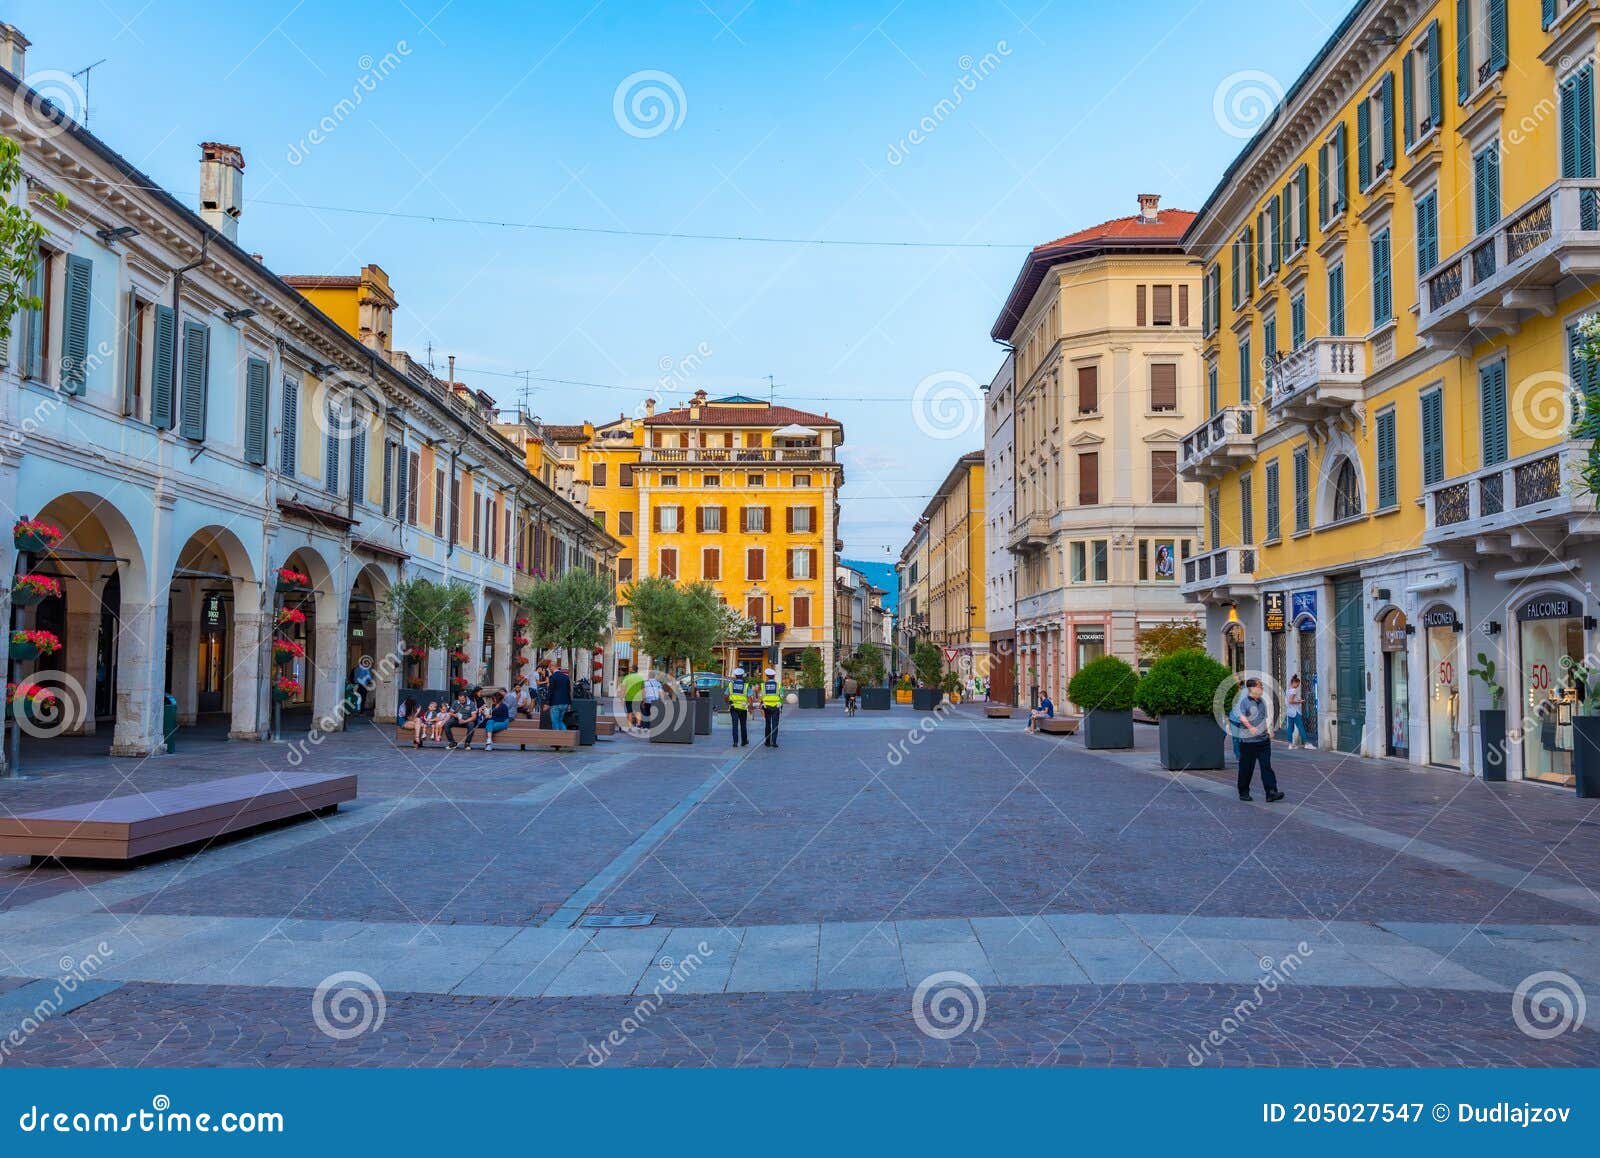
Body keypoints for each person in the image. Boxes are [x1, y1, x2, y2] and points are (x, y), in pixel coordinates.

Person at [1232, 678, 1284, 802]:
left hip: (1263, 741)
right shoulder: (1244, 702)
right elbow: (1241, 717)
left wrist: (1267, 731)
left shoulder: (1262, 702)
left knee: (1266, 766)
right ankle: (1243, 792)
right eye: (1260, 686)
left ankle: (1271, 792)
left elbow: (1263, 718)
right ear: (1253, 688)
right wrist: (1250, 727)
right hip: (1248, 742)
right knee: (1246, 768)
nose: (1262, 689)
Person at [1285, 674, 1312, 748]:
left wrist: (1297, 700)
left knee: (1290, 728)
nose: (1298, 685)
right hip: (1295, 711)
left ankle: (1290, 744)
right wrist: (1300, 702)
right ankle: (1306, 743)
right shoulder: (1294, 690)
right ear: (1294, 683)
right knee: (1300, 727)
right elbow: (1291, 701)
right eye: (1298, 684)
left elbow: (1289, 701)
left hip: (1289, 711)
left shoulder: (1288, 690)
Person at [727, 666, 751, 747]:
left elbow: (725, 695)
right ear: (742, 676)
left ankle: (735, 742)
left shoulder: (731, 685)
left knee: (734, 725)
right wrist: (750, 708)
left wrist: (728, 702)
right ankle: (744, 741)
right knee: (743, 725)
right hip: (743, 708)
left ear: (735, 676)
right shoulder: (746, 686)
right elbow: (750, 697)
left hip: (733, 707)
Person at [760, 666, 782, 748]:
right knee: (775, 724)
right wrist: (780, 705)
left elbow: (760, 696)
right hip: (776, 707)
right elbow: (782, 696)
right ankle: (774, 742)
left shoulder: (763, 686)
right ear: (774, 676)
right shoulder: (779, 686)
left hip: (766, 707)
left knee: (768, 724)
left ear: (767, 676)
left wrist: (762, 703)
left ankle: (767, 742)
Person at [548, 662, 573, 730]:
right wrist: (569, 703)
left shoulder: (552, 677)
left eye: (549, 668)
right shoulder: (566, 677)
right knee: (560, 721)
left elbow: (551, 690)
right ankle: (564, 737)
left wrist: (547, 703)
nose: (549, 670)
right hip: (565, 702)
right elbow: (568, 691)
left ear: (552, 667)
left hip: (555, 702)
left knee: (555, 722)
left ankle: (556, 738)